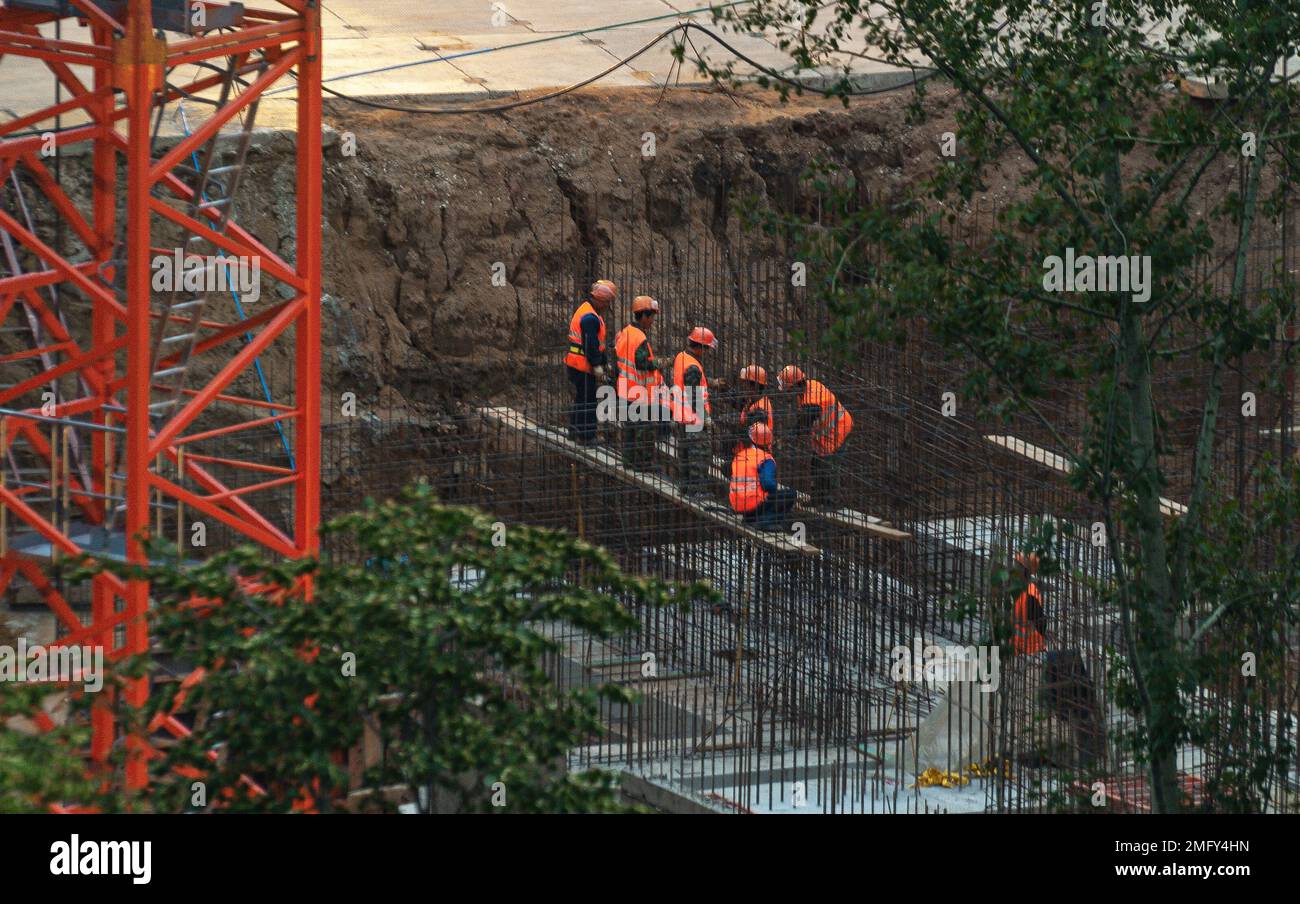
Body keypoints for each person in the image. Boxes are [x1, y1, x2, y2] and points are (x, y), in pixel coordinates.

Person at [777, 365, 853, 507]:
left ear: (794, 385)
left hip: (840, 430)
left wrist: (790, 436)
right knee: (816, 464)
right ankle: (818, 499)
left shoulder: (811, 402)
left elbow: (803, 423)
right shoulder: (808, 388)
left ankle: (832, 501)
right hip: (827, 434)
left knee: (828, 466)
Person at [614, 295, 665, 470]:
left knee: (629, 429)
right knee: (645, 429)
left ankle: (628, 462)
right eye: (651, 317)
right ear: (644, 316)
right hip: (639, 392)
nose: (652, 321)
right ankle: (643, 464)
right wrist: (660, 362)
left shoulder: (624, 332)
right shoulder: (639, 338)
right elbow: (642, 363)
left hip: (625, 390)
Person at [564, 279, 615, 445]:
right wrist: (596, 365)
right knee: (588, 400)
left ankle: (574, 431)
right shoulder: (590, 318)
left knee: (581, 398)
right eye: (607, 302)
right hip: (582, 365)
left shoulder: (588, 311)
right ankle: (587, 436)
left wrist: (603, 361)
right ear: (600, 299)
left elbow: (597, 344)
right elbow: (591, 344)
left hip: (577, 364)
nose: (608, 306)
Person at [672, 326, 716, 496]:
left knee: (685, 455)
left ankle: (685, 489)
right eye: (707, 349)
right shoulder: (693, 366)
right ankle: (697, 491)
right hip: (694, 420)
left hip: (682, 417)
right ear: (700, 346)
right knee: (699, 455)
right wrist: (705, 417)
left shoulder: (681, 357)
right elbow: (694, 396)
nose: (708, 353)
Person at [729, 423, 796, 530]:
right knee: (790, 494)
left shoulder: (741, 455)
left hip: (736, 504)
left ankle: (750, 519)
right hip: (753, 504)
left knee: (761, 495)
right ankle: (765, 522)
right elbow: (768, 484)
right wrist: (774, 489)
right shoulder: (765, 459)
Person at [733, 364, 774, 456]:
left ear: (754, 386)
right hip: (746, 454)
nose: (743, 386)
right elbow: (737, 402)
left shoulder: (761, 409)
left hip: (755, 456)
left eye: (745, 383)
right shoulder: (752, 400)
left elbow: (750, 436)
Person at [1011, 551, 1047, 655]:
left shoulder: (1030, 593)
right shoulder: (1022, 588)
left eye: (1018, 566)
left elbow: (1040, 624)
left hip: (1028, 647)